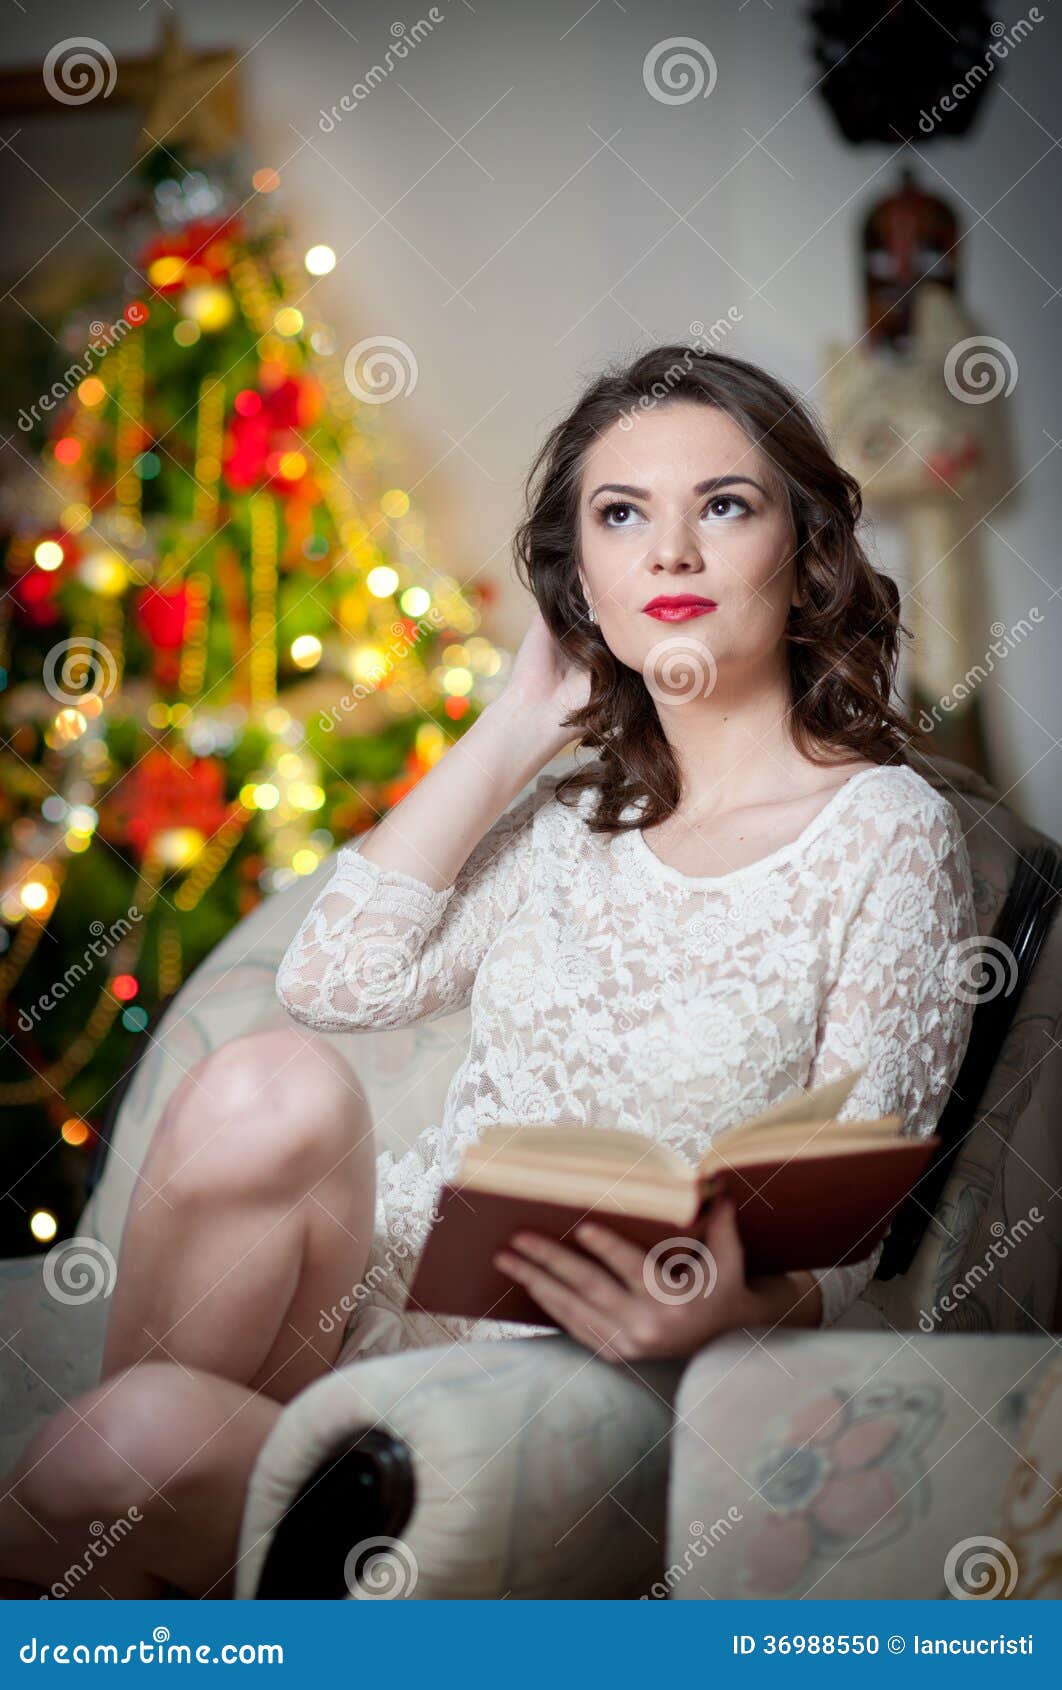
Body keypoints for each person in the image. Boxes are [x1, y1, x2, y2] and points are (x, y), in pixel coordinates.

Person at [0, 345, 976, 1598]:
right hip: (376, 1307)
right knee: (270, 1088)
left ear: (805, 552)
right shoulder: (582, 819)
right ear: (585, 585)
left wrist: (725, 1310)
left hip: (536, 1400)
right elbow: (332, 982)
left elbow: (859, 1221)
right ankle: (168, 1555)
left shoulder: (890, 831)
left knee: (122, 1445)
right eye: (622, 517)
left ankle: (143, 1537)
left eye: (723, 505)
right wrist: (516, 724)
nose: (671, 553)